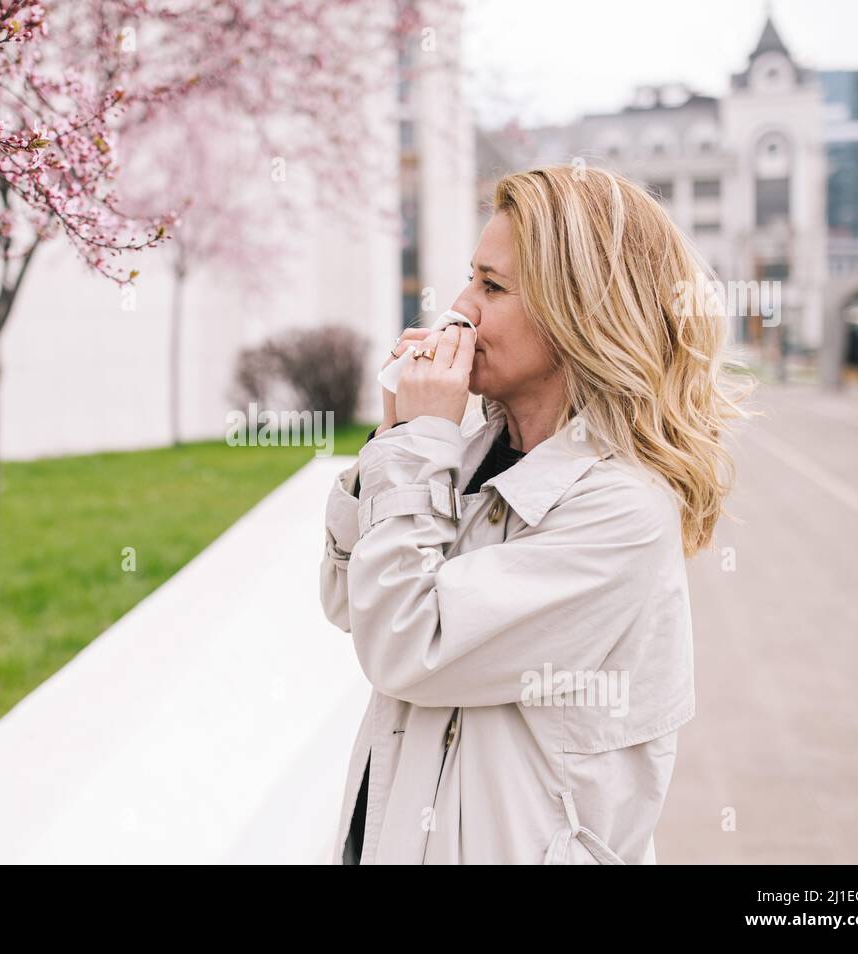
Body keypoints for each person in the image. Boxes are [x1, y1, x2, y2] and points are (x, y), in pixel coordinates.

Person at [319, 165, 751, 864]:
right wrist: (396, 443)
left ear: (579, 313)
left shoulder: (621, 510)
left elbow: (405, 644)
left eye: (492, 287)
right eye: (471, 278)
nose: (460, 307)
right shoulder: (472, 453)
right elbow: (349, 602)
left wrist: (419, 446)